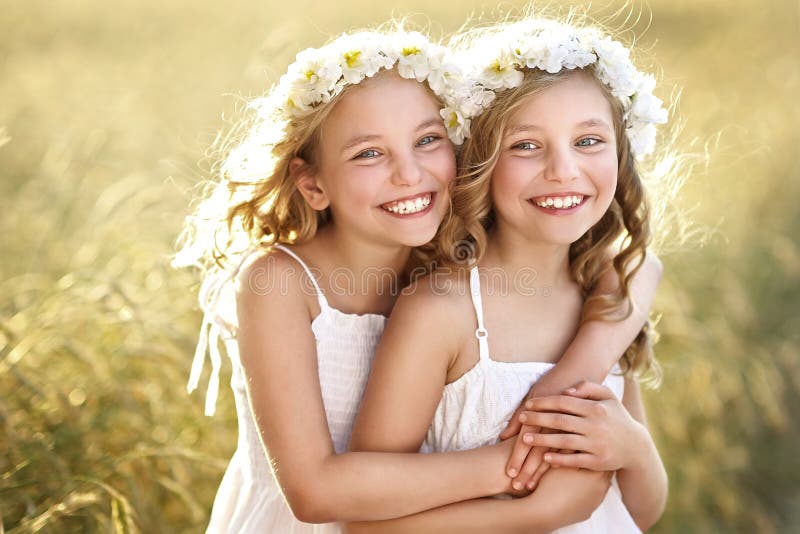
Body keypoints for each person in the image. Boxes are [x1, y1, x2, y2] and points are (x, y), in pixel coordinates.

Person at [348, 17, 671, 532]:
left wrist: (631, 447)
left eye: (588, 141)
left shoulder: (603, 298)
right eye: (525, 146)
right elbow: (363, 522)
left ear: (621, 151)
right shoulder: (442, 311)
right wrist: (537, 514)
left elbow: (641, 513)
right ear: (481, 161)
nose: (563, 170)